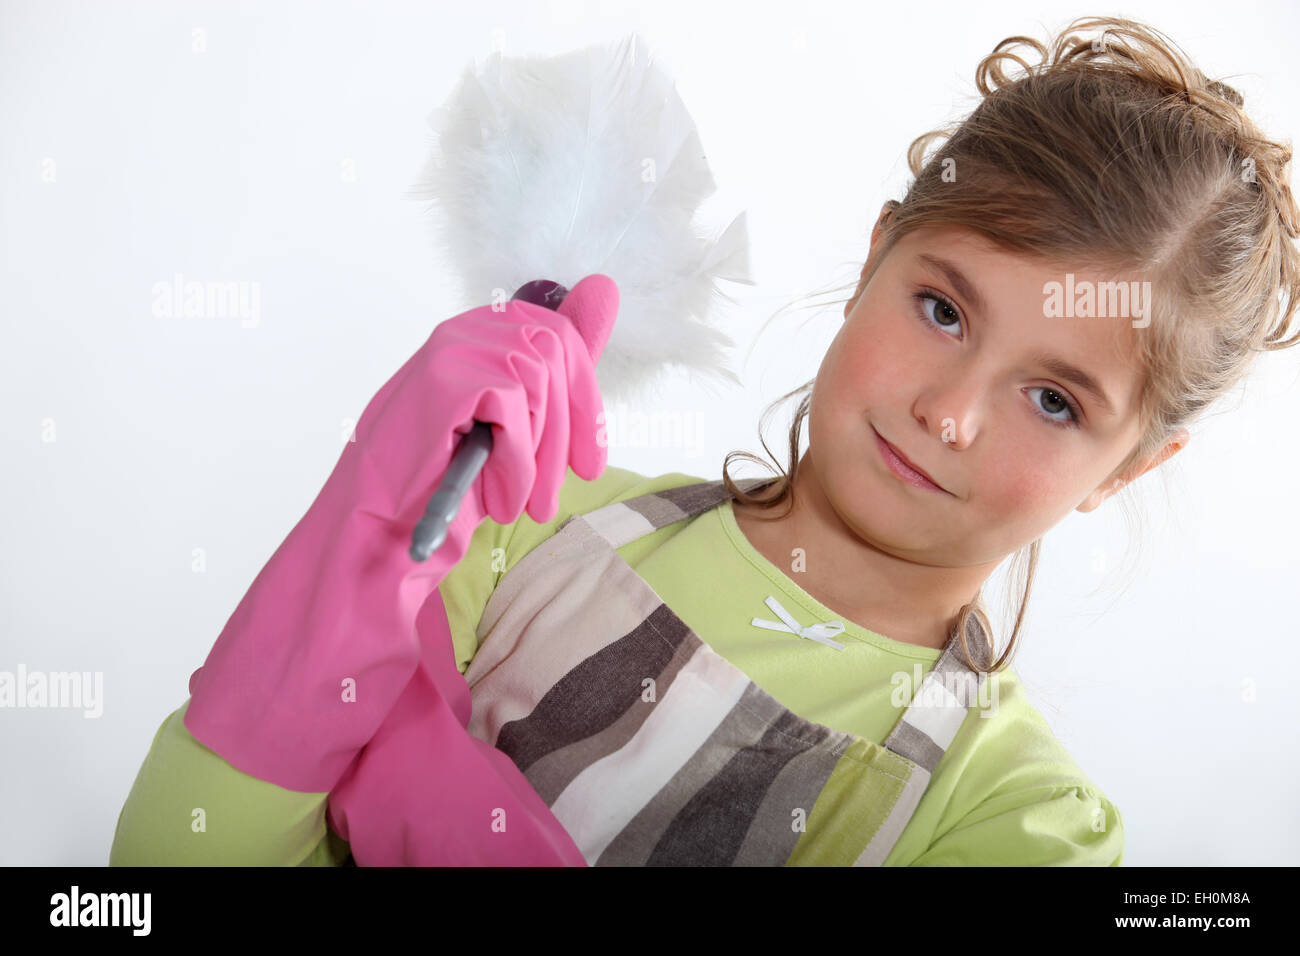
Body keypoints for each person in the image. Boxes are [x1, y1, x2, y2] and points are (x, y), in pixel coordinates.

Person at [109, 15, 1300, 866]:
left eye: (1055, 400)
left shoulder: (1014, 821)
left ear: (1133, 466)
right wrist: (360, 551)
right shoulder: (527, 522)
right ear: (873, 256)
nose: (950, 412)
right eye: (941, 309)